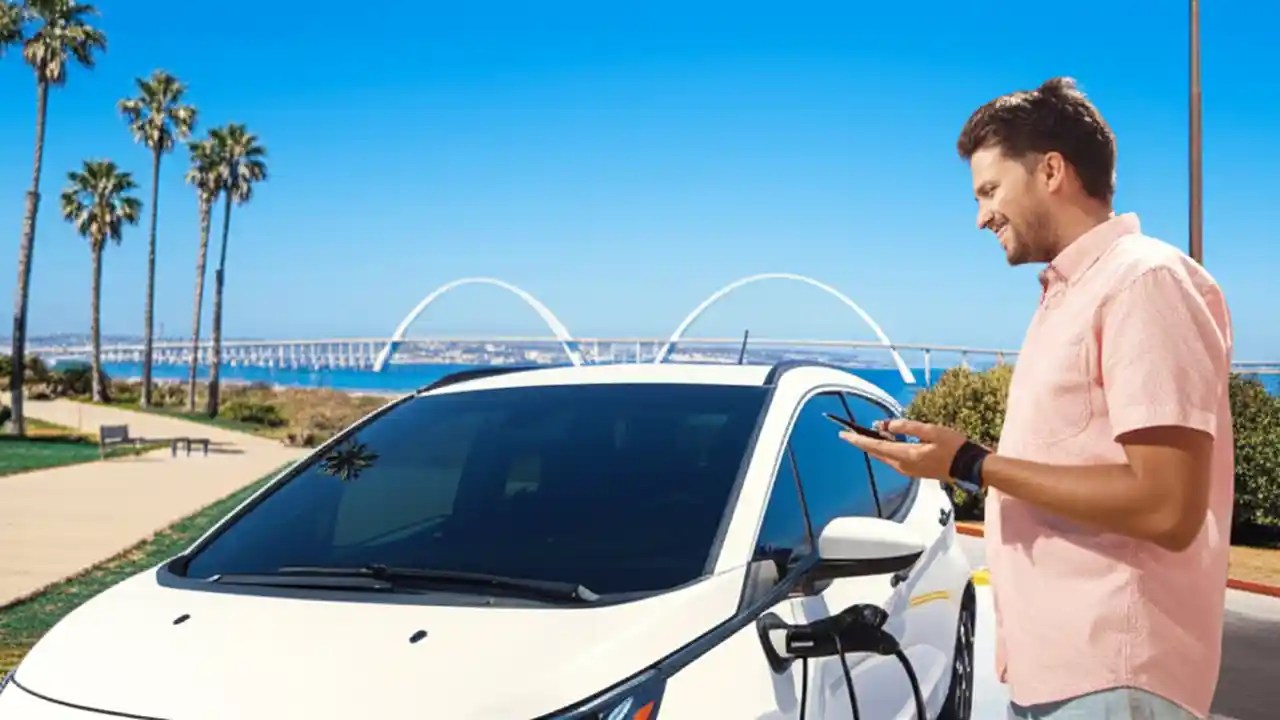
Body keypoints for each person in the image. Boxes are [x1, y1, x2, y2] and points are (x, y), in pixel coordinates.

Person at [839, 76, 1234, 720]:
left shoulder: (1143, 281)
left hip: (1113, 676)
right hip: (1065, 677)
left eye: (991, 190)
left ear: (1051, 170)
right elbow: (1084, 472)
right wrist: (960, 458)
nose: (981, 215)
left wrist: (971, 464)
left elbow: (1167, 505)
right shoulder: (1074, 296)